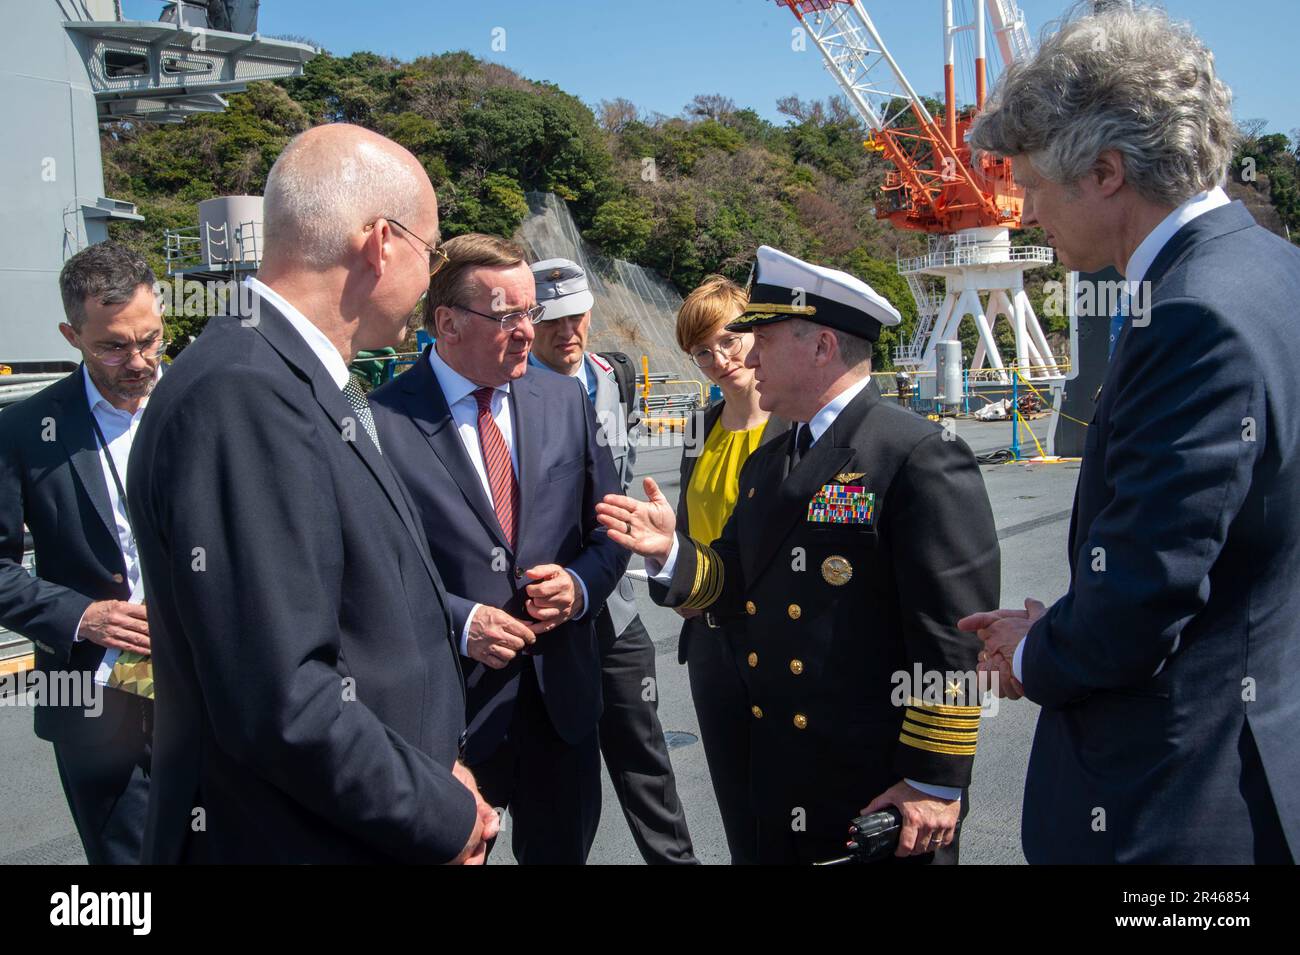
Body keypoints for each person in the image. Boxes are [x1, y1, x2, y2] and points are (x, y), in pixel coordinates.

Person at [960, 2, 1300, 863]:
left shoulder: (1190, 315)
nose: (1025, 212)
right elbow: (1226, 552)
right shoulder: (1275, 271)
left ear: (1106, 171)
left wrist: (1033, 653)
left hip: (1176, 806)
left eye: (1033, 184)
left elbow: (1144, 598)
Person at [127, 123, 496, 863]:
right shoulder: (244, 393)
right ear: (381, 243)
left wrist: (434, 768)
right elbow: (281, 697)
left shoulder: (293, 375)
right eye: (430, 252)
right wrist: (440, 813)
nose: (430, 281)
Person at [598, 246, 1000, 864]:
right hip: (781, 759)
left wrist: (934, 778)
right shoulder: (771, 460)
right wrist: (670, 551)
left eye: (763, 341)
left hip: (875, 778)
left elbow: (953, 636)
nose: (749, 357)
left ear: (822, 347)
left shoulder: (914, 453)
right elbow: (734, 577)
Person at [369, 234, 628, 865]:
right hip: (447, 714)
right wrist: (460, 620)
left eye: (529, 312)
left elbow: (609, 529)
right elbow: (374, 570)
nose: (527, 332)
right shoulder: (379, 421)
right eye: (507, 316)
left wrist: (580, 587)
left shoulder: (564, 398)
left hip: (560, 703)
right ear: (447, 324)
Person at [528, 257, 696, 864]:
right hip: (545, 607)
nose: (566, 331)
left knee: (644, 756)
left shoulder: (612, 377)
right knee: (558, 780)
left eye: (576, 316)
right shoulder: (507, 393)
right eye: (551, 320)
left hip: (615, 610)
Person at [0, 242, 160, 864]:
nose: (137, 361)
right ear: (72, 336)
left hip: (210, 689)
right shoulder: (24, 432)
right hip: (95, 702)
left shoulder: (205, 404)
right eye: (112, 347)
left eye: (149, 340)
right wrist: (81, 616)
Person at [670, 275, 789, 864]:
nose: (719, 359)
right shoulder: (700, 429)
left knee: (794, 802)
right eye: (702, 351)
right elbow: (685, 528)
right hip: (712, 644)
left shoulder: (796, 425)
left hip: (782, 640)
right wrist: (677, 586)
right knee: (737, 805)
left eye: (728, 340)